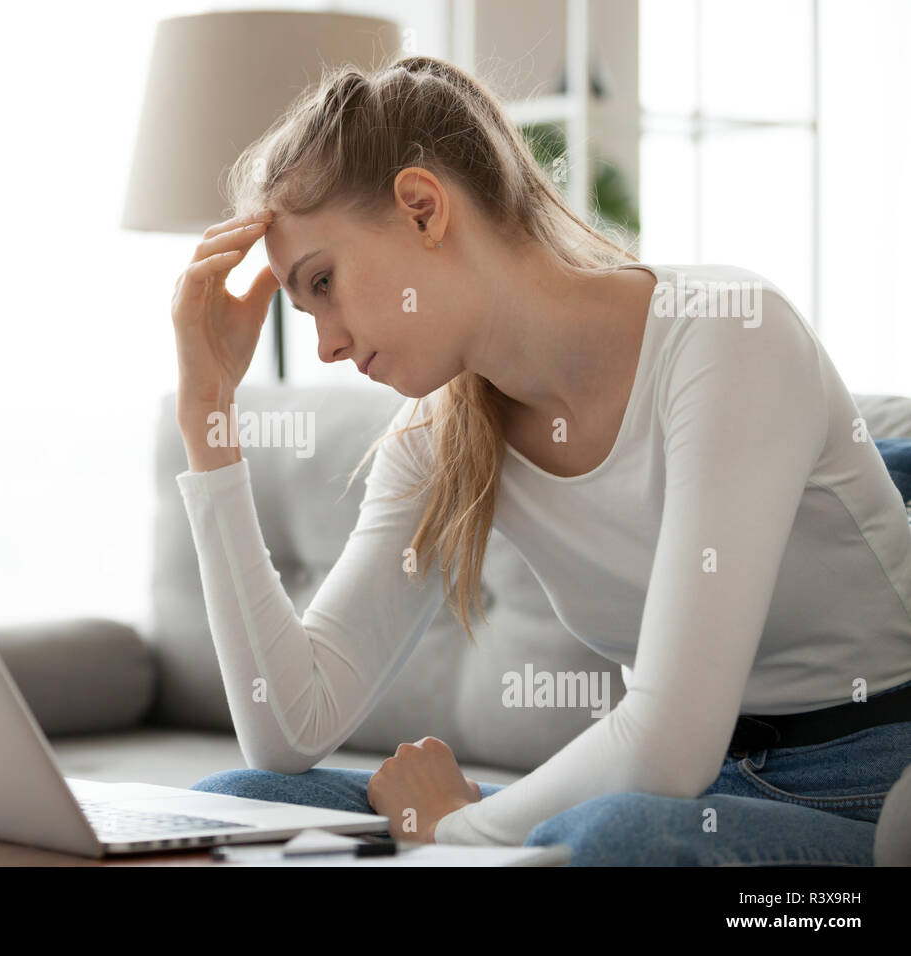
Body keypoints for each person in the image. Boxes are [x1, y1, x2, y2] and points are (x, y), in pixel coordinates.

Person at [167, 54, 911, 865]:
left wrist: (450, 829)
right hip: (669, 796)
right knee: (243, 809)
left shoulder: (726, 336)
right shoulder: (440, 435)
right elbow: (287, 729)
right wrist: (209, 417)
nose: (328, 343)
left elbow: (668, 747)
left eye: (324, 281)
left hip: (867, 785)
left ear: (422, 209)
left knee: (614, 840)